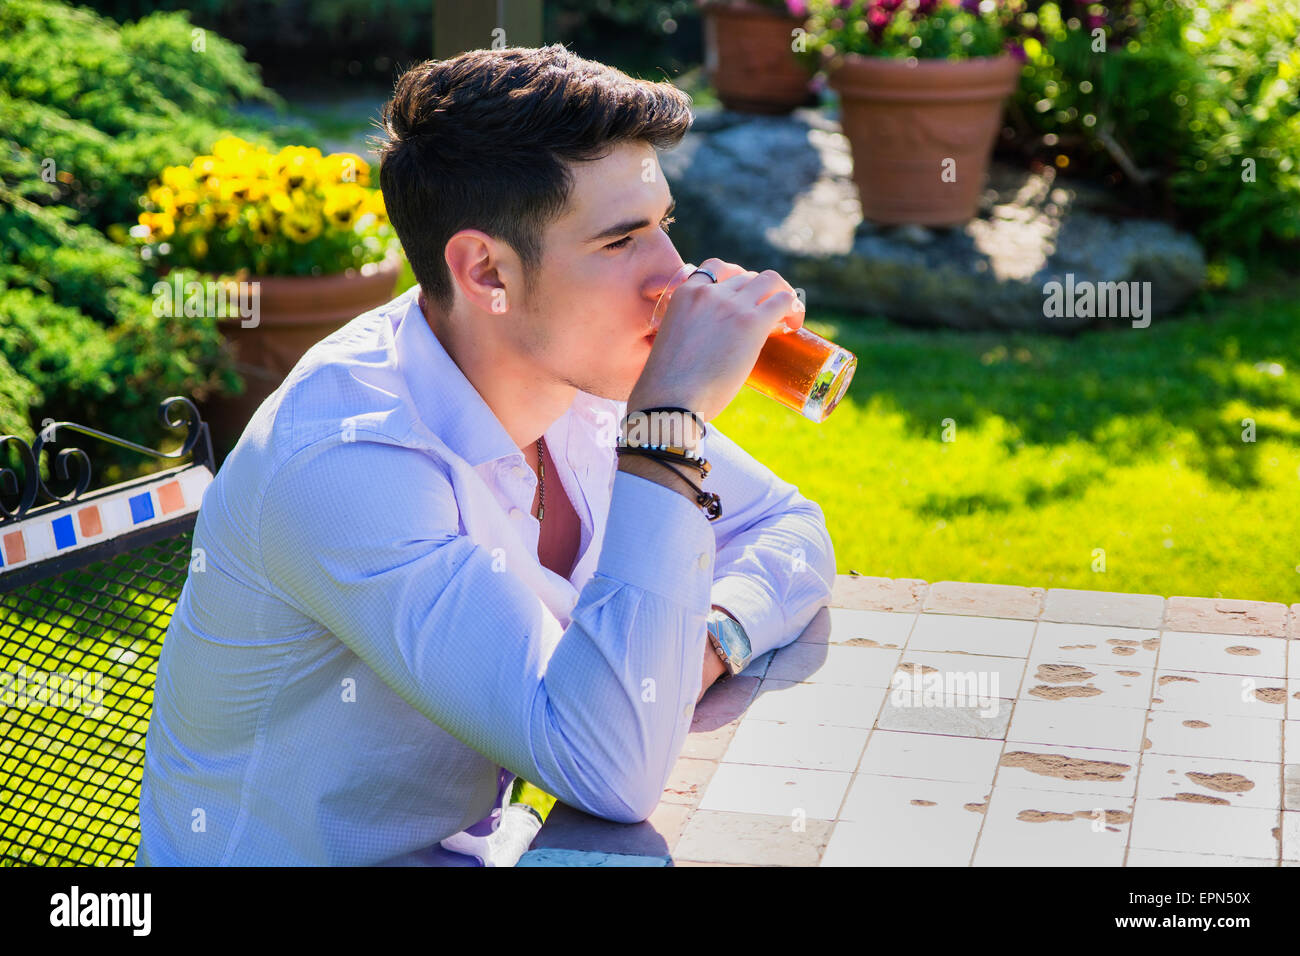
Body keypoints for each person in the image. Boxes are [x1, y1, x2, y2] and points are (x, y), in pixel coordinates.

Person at [136, 43, 836, 866]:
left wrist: (709, 640)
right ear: (485, 271)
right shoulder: (348, 462)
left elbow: (791, 529)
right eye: (621, 243)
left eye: (664, 227)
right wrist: (667, 427)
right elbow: (609, 766)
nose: (673, 278)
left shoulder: (570, 370)